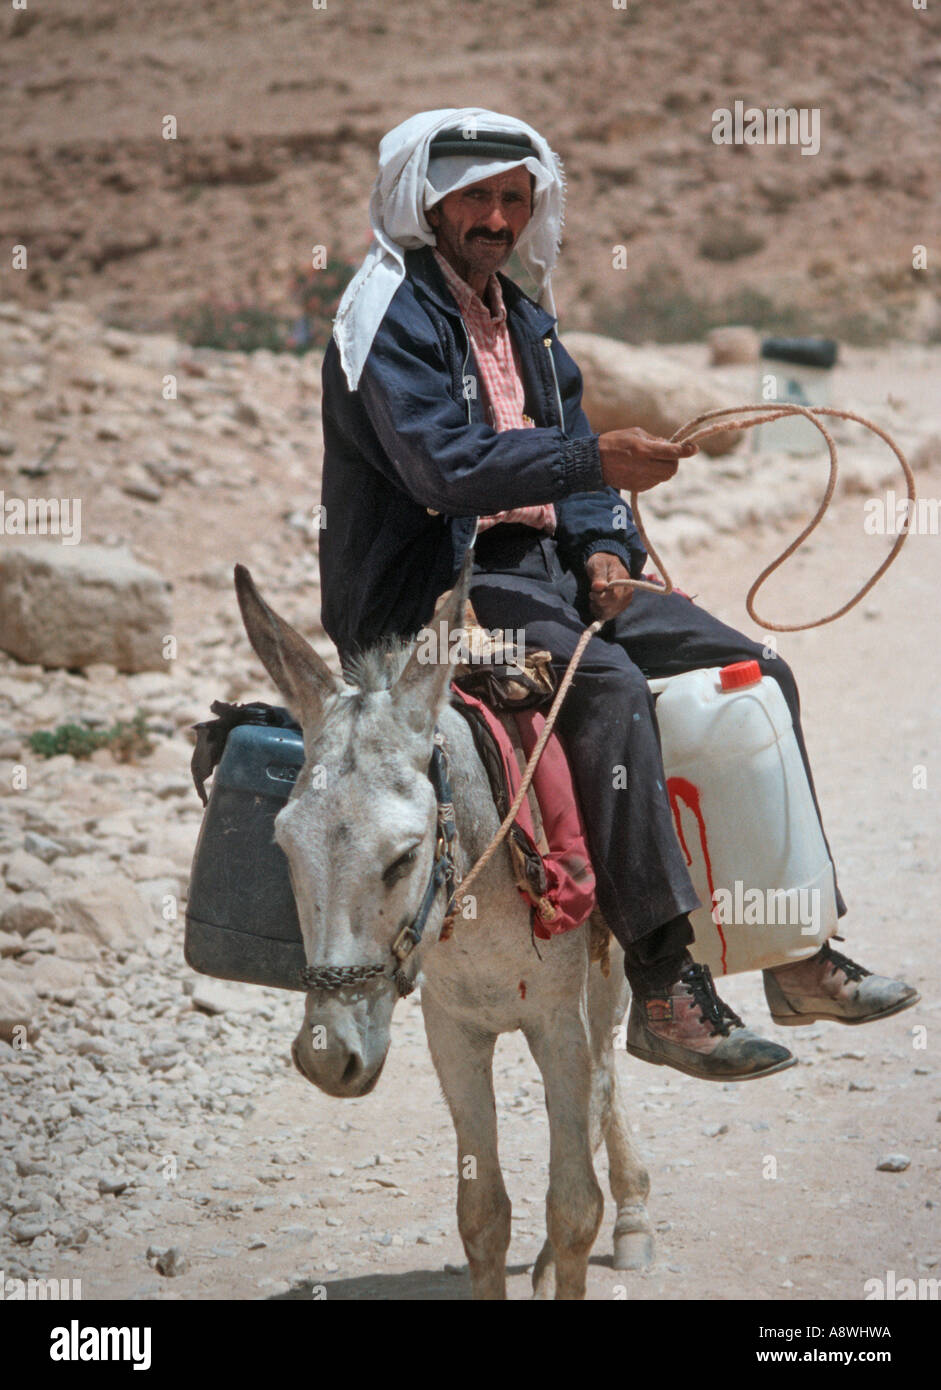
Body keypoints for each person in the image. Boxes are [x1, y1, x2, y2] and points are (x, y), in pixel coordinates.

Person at [318, 107, 918, 1082]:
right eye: (477, 195)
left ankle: (796, 953)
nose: (498, 216)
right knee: (602, 689)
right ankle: (663, 985)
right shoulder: (390, 315)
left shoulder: (523, 317)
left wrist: (604, 547)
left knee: (751, 668)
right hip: (446, 586)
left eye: (515, 198)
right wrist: (588, 456)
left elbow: (584, 476)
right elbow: (441, 468)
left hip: (550, 567)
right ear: (429, 202)